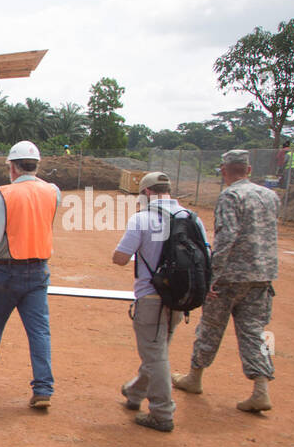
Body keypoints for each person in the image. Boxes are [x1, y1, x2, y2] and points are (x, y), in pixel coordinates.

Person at [173, 150, 279, 411]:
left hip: (230, 276)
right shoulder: (270, 196)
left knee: (209, 328)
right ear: (249, 170)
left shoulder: (231, 196)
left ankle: (194, 376)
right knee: (257, 332)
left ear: (224, 170)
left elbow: (226, 238)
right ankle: (261, 388)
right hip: (263, 275)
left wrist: (211, 276)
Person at [111, 172, 209, 432]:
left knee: (155, 355)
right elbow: (206, 256)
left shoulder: (142, 219)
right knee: (157, 351)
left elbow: (121, 258)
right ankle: (134, 393)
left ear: (146, 193)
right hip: (179, 298)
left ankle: (162, 413)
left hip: (150, 296)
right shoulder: (192, 219)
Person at [0, 140, 61, 408]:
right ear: (36, 166)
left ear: (13, 167)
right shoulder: (53, 192)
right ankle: (43, 388)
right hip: (39, 270)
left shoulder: (5, 194)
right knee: (39, 332)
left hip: (7, 272)